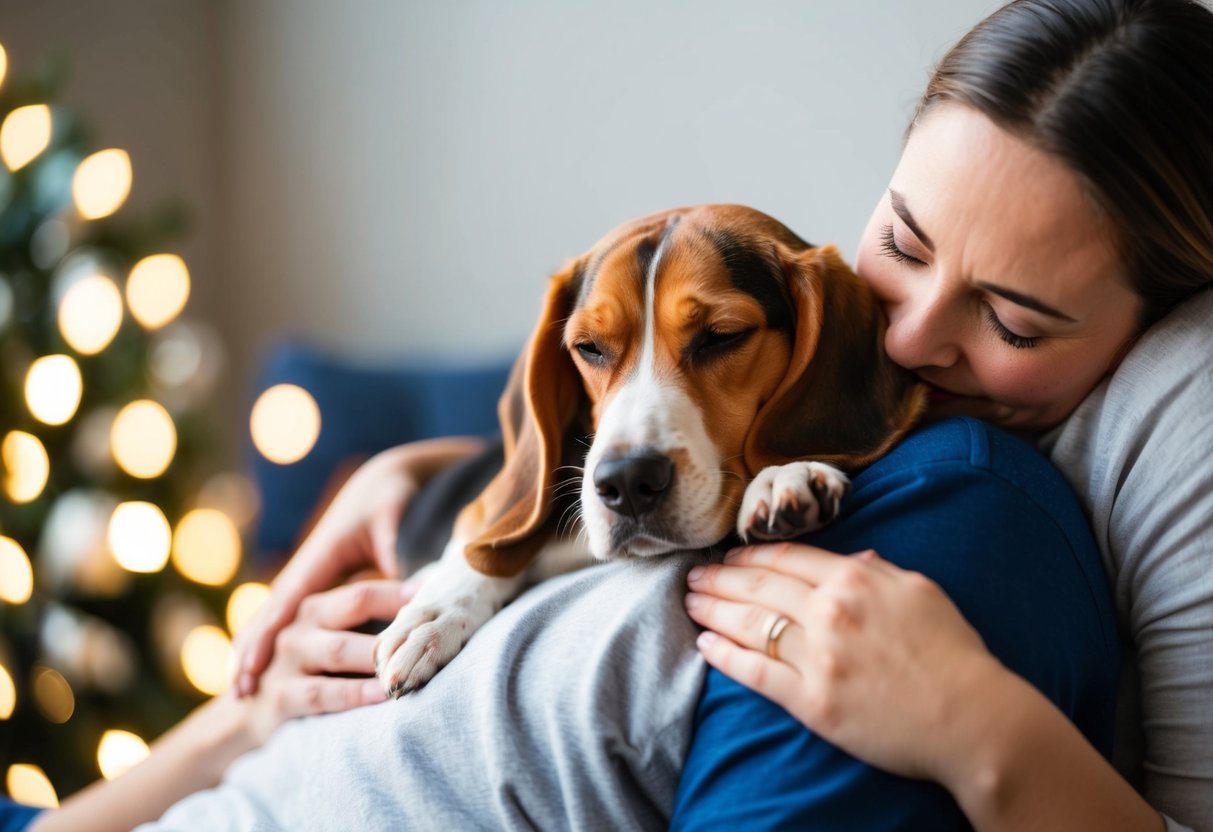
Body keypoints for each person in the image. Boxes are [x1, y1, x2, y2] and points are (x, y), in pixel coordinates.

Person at [15, 0, 1213, 828]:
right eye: (899, 241)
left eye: (1011, 319)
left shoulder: (1165, 417)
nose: (900, 338)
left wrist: (981, 733)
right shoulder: (841, 342)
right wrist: (457, 480)